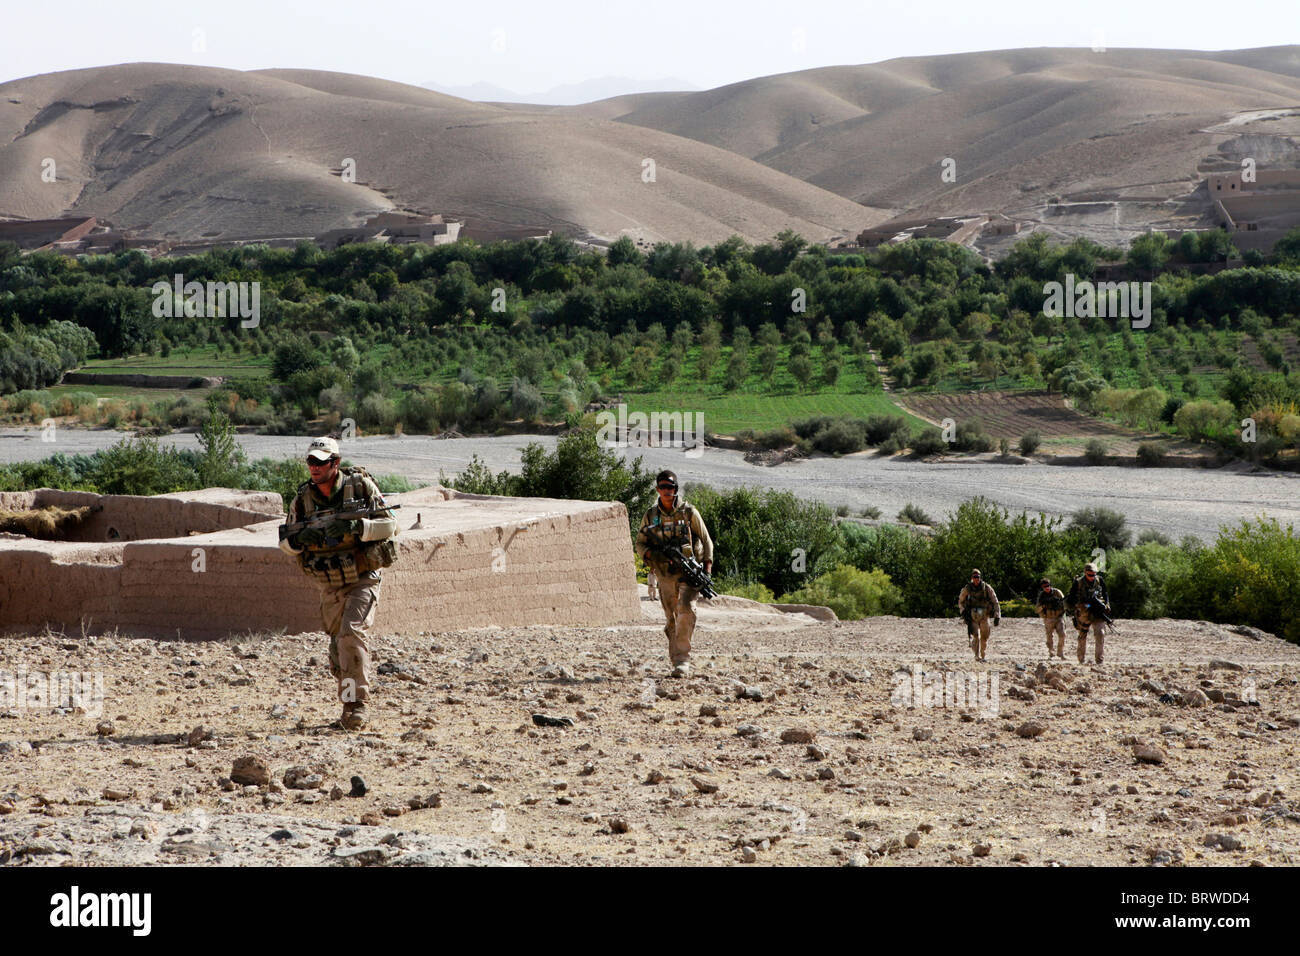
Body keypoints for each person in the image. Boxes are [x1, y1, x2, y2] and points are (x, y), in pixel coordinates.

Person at [278, 438, 398, 730]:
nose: (314, 467)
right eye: (311, 462)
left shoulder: (360, 488)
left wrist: (358, 527)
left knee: (350, 634)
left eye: (321, 462)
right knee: (337, 652)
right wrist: (298, 540)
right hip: (329, 584)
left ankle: (355, 708)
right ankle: (348, 697)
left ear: (336, 463)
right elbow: (284, 542)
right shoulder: (302, 500)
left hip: (362, 577)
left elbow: (391, 525)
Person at [634, 470, 713, 678]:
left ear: (675, 489)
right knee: (671, 618)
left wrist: (707, 568)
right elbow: (640, 543)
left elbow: (706, 540)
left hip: (688, 572)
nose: (666, 491)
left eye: (670, 487)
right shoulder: (651, 515)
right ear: (657, 489)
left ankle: (682, 660)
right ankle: (675, 659)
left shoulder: (688, 512)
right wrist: (654, 554)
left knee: (686, 610)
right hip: (664, 575)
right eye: (662, 487)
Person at [1066, 561, 1110, 664]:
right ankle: (1081, 660)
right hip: (1084, 613)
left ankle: (1099, 660)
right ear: (1085, 573)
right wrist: (1081, 605)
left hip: (1098, 612)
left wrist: (1107, 604)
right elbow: (1071, 598)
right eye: (1089, 575)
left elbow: (1105, 593)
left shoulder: (1100, 580)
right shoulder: (1078, 582)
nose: (1092, 577)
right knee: (1082, 635)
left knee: (1100, 634)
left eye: (1093, 575)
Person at [957, 568, 1000, 661]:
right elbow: (961, 600)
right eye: (974, 577)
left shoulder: (986, 588)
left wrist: (997, 615)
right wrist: (963, 611)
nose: (976, 579)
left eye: (978, 577)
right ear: (972, 578)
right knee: (976, 636)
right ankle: (977, 655)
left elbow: (995, 601)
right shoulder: (967, 588)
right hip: (973, 616)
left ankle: (983, 654)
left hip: (984, 615)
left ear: (980, 577)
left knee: (984, 637)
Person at [1035, 576, 1067, 659]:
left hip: (1059, 617)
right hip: (1048, 618)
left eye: (1048, 585)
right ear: (1042, 587)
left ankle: (1060, 653)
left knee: (1062, 635)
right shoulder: (1042, 596)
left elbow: (1065, 602)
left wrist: (1059, 604)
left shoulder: (1057, 592)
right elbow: (1037, 610)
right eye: (1045, 586)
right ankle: (1051, 653)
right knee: (1049, 637)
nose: (1047, 588)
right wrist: (1043, 606)